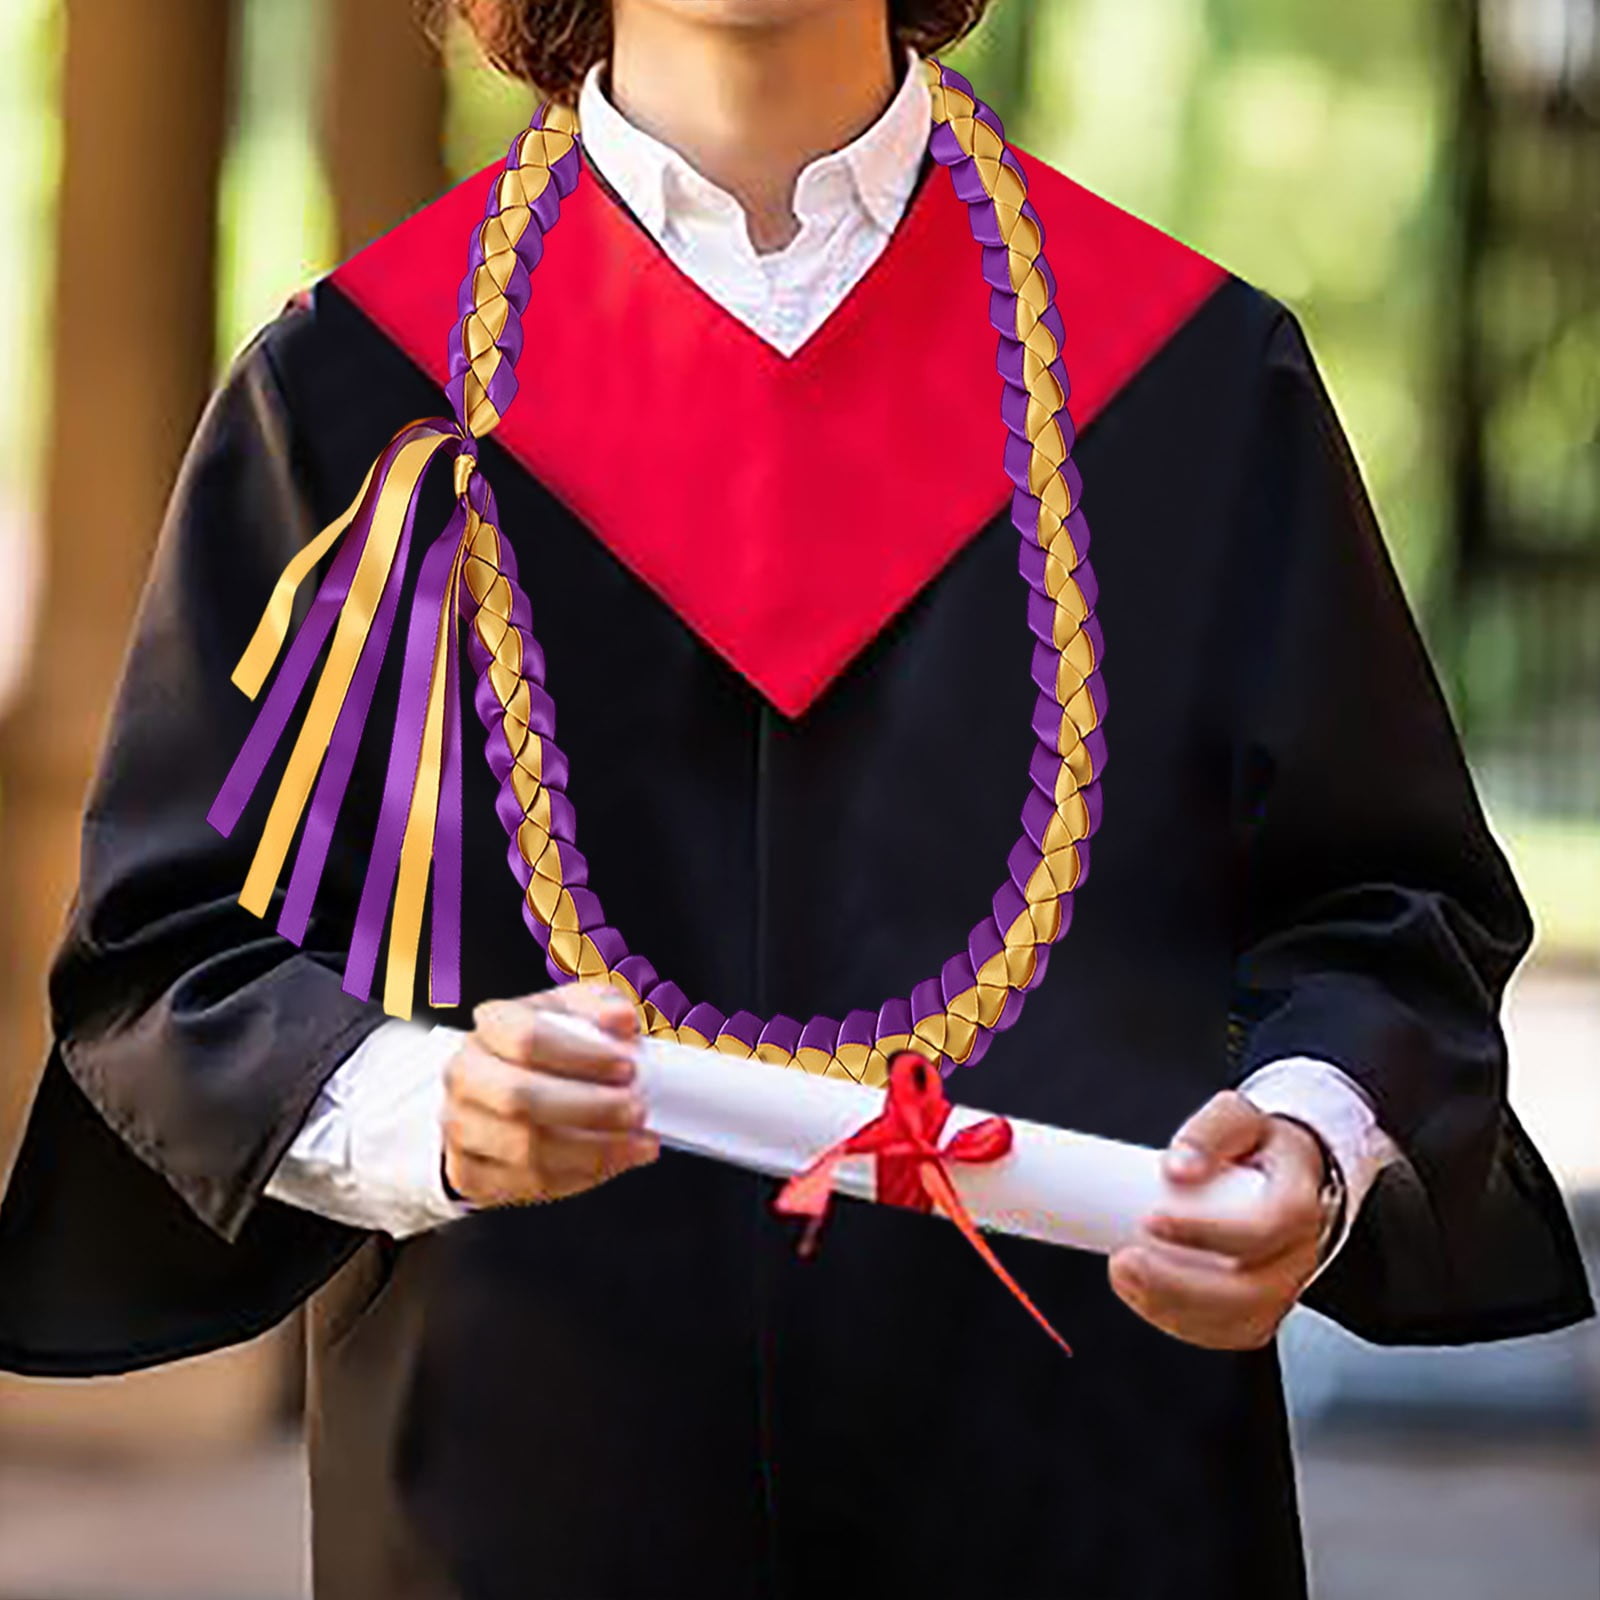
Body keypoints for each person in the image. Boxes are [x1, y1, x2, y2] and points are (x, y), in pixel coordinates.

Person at [0, 2, 1590, 1596]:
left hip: (1090, 1488)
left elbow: (1387, 909)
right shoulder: (355, 393)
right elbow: (169, 960)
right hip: (528, 1494)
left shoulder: (1184, 381)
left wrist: (1308, 1145)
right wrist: (426, 1112)